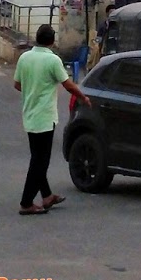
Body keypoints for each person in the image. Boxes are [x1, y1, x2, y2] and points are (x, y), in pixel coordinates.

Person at [13, 25, 88, 214]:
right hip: (44, 116)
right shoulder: (52, 60)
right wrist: (83, 97)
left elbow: (17, 84)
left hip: (29, 114)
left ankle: (46, 196)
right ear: (52, 41)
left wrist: (32, 91)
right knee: (40, 161)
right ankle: (26, 202)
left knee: (37, 157)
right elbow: (68, 84)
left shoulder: (25, 57)